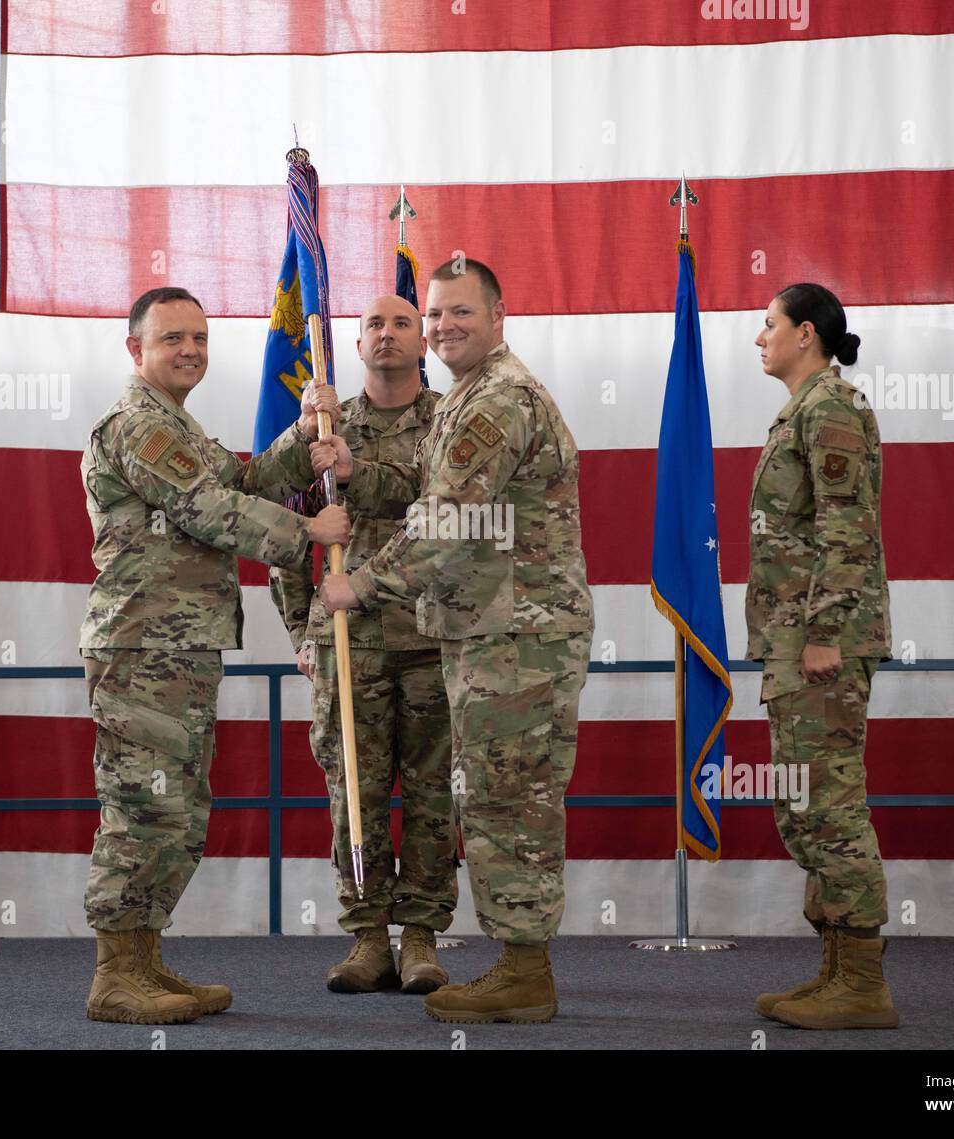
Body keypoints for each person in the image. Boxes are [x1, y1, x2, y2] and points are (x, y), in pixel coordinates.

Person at [313, 259, 593, 1024]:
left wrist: (359, 586)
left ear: (498, 317)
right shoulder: (467, 398)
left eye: (458, 313)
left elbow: (445, 520)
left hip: (516, 636)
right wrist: (346, 463)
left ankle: (524, 973)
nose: (441, 327)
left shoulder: (493, 400)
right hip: (494, 632)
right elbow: (419, 494)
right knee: (504, 802)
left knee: (511, 805)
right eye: (434, 314)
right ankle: (517, 964)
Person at [79, 286, 350, 1024]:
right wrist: (310, 534)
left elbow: (239, 482)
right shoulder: (138, 426)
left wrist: (299, 441)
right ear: (136, 349)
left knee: (177, 808)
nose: (191, 350)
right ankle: (114, 972)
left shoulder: (182, 428)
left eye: (200, 337)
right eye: (173, 339)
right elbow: (209, 509)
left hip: (179, 646)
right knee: (140, 806)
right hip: (142, 648)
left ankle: (142, 954)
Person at [271, 294, 456, 995]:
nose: (387, 333)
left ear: (424, 341)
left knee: (437, 793)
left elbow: (447, 510)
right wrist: (299, 628)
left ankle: (421, 936)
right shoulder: (323, 423)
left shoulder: (448, 420)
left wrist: (359, 476)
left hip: (434, 633)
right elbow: (285, 529)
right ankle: (368, 936)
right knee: (355, 790)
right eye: (373, 324)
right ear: (355, 344)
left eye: (402, 323)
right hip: (350, 642)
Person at [746, 282, 898, 1030]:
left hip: (819, 644)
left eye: (768, 324)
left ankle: (864, 982)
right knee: (803, 804)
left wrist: (826, 633)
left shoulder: (831, 408)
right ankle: (837, 967)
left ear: (806, 333)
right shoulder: (803, 411)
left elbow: (848, 527)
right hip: (793, 642)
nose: (758, 337)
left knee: (831, 806)